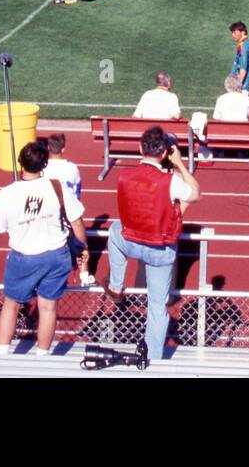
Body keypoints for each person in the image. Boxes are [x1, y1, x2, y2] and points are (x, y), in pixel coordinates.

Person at [103, 126, 200, 360]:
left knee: (115, 231)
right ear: (166, 152)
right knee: (157, 307)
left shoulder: (123, 174)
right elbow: (196, 194)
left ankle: (117, 284)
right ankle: (153, 359)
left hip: (131, 241)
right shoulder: (170, 181)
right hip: (160, 248)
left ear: (139, 148)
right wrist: (180, 164)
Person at [0, 141, 88, 356]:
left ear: (20, 163)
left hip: (23, 256)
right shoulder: (57, 187)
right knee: (48, 307)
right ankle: (42, 355)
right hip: (55, 255)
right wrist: (82, 248)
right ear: (44, 164)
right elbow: (77, 222)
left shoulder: (6, 193)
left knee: (11, 305)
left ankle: (2, 352)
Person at [43, 133, 82, 199]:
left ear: (48, 147)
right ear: (63, 149)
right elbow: (77, 192)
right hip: (68, 207)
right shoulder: (72, 167)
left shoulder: (42, 168)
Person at [230, 21, 249, 94]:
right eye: (232, 33)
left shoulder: (243, 47)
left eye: (234, 33)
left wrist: (238, 84)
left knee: (240, 103)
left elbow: (243, 68)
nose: (232, 35)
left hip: (244, 81)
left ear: (243, 32)